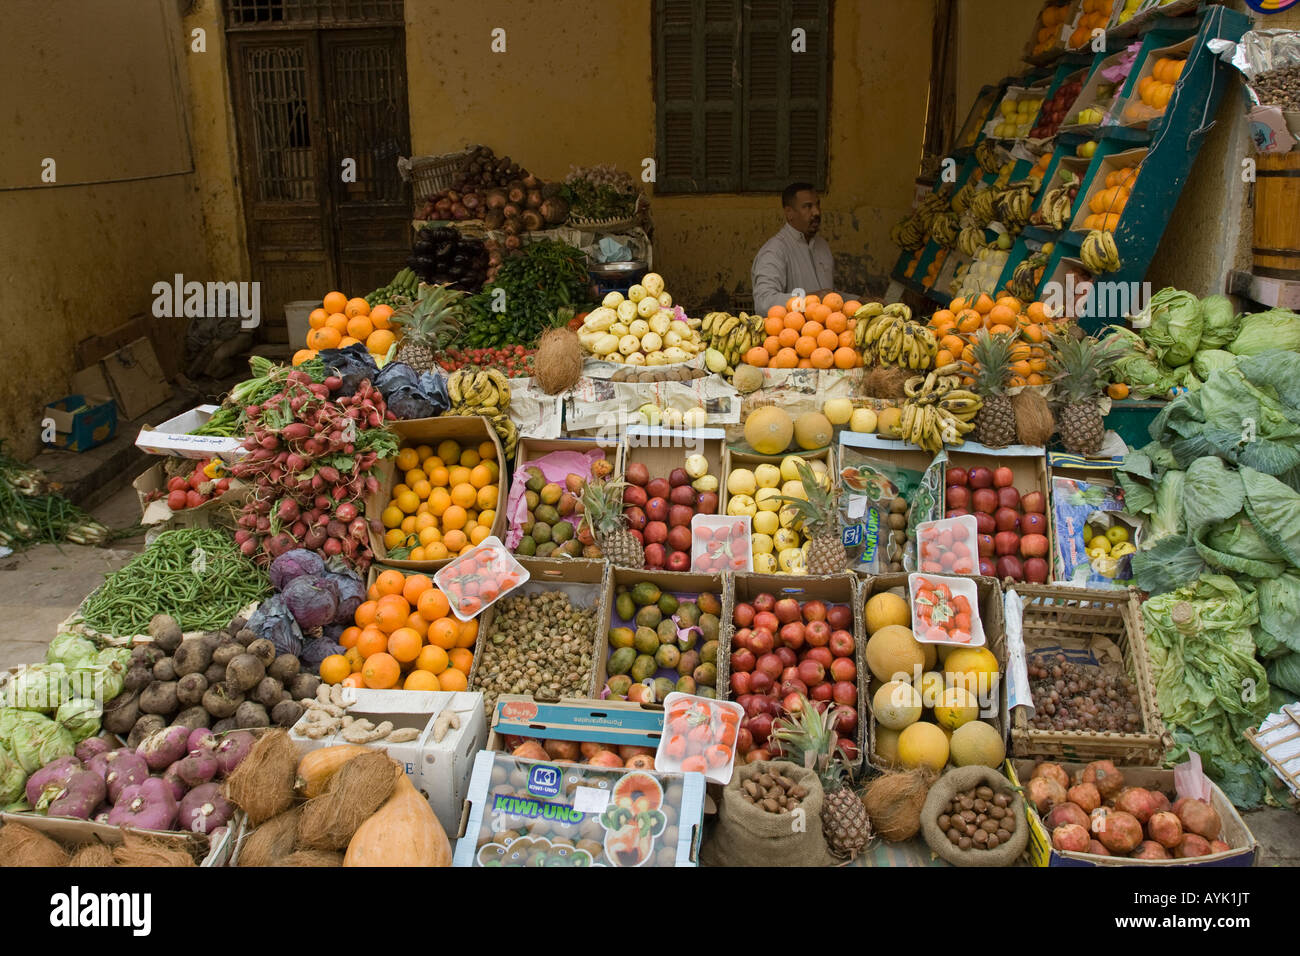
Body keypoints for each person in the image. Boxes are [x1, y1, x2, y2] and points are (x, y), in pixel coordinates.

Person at [750, 182, 835, 316]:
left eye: (817, 204)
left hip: (827, 334)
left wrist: (859, 301)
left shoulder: (822, 246)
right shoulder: (774, 251)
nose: (816, 212)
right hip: (789, 335)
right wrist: (808, 300)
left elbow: (828, 296)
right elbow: (764, 303)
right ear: (789, 213)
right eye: (808, 206)